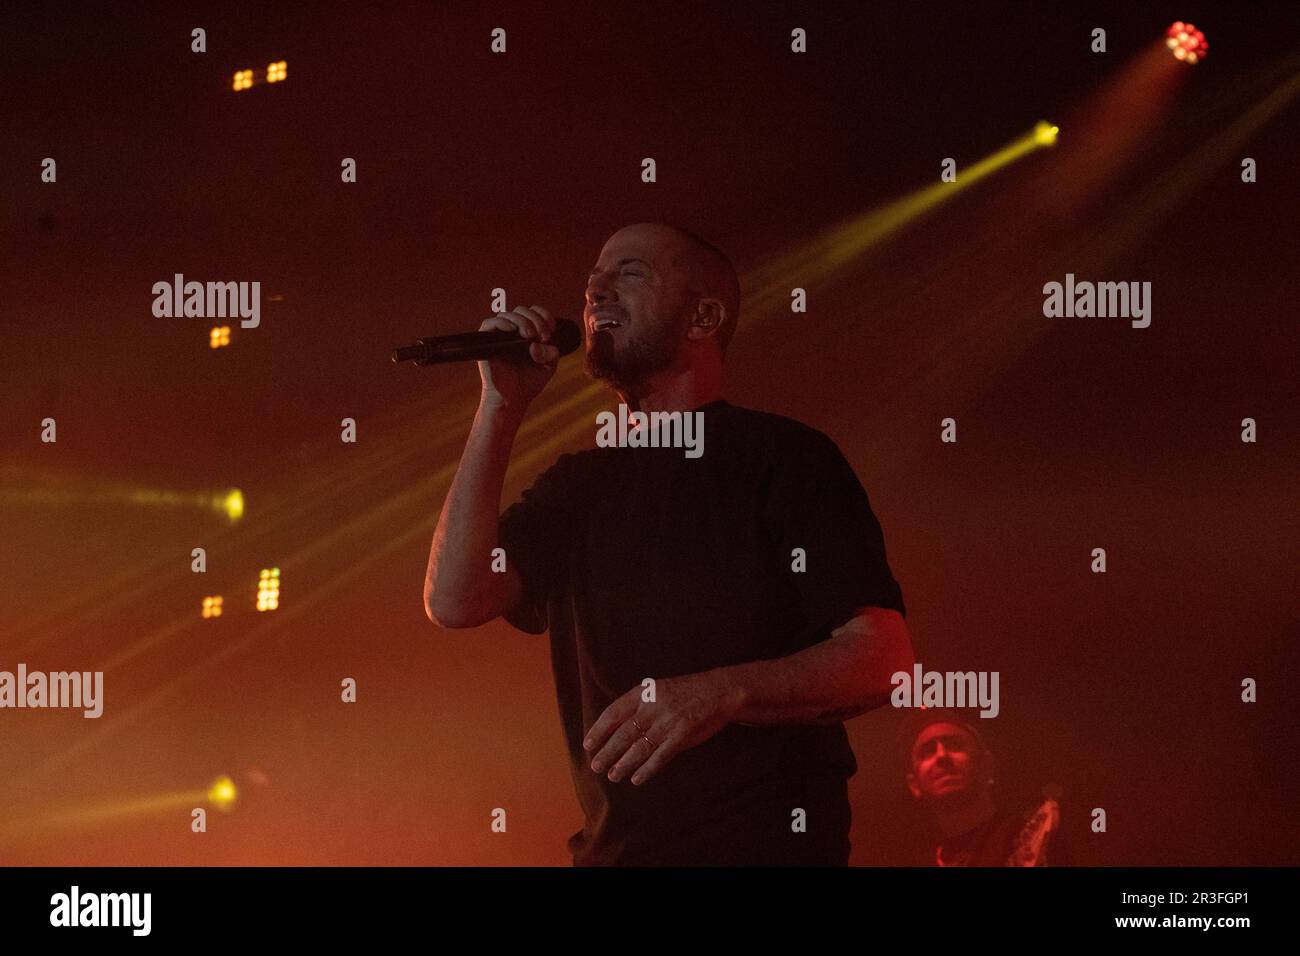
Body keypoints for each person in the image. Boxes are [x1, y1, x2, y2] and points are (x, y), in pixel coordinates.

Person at [424, 221, 913, 865]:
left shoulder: (783, 458)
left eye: (629, 274)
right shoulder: (578, 485)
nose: (597, 290)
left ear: (703, 315)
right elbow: (455, 600)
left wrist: (721, 692)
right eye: (592, 280)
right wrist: (499, 407)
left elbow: (884, 661)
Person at [901, 708, 1068, 866]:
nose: (942, 756)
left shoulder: (1024, 836)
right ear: (914, 784)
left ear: (987, 766)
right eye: (928, 751)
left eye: (955, 745)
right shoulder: (921, 860)